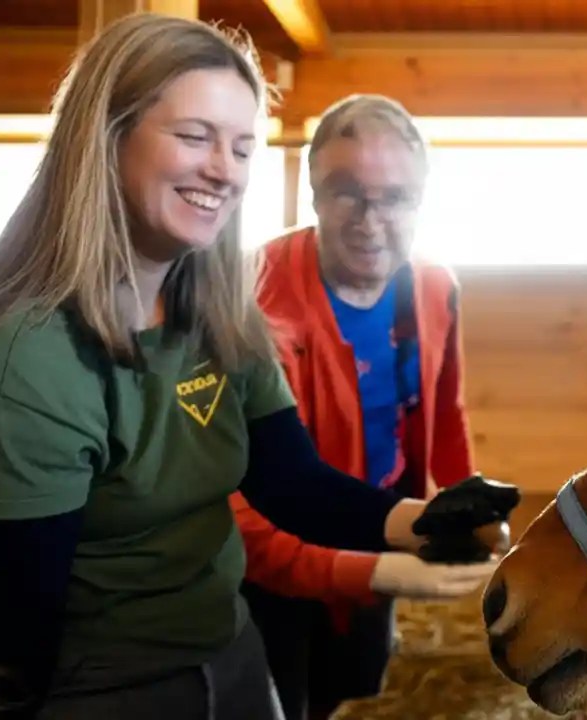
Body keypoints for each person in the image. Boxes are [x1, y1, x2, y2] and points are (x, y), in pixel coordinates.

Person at [0, 14, 496, 720]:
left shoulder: (221, 309)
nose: (224, 170)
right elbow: (20, 629)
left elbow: (289, 481)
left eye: (241, 147)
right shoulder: (35, 356)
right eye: (194, 137)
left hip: (227, 649)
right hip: (107, 684)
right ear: (105, 139)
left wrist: (428, 520)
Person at [232, 93, 488, 720]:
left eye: (394, 197)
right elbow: (247, 502)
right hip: (275, 552)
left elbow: (444, 408)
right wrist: (378, 568)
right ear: (314, 194)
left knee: (344, 687)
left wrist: (466, 506)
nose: (370, 220)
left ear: (421, 200)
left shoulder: (434, 287)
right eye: (347, 192)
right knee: (275, 694)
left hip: (383, 520)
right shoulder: (249, 300)